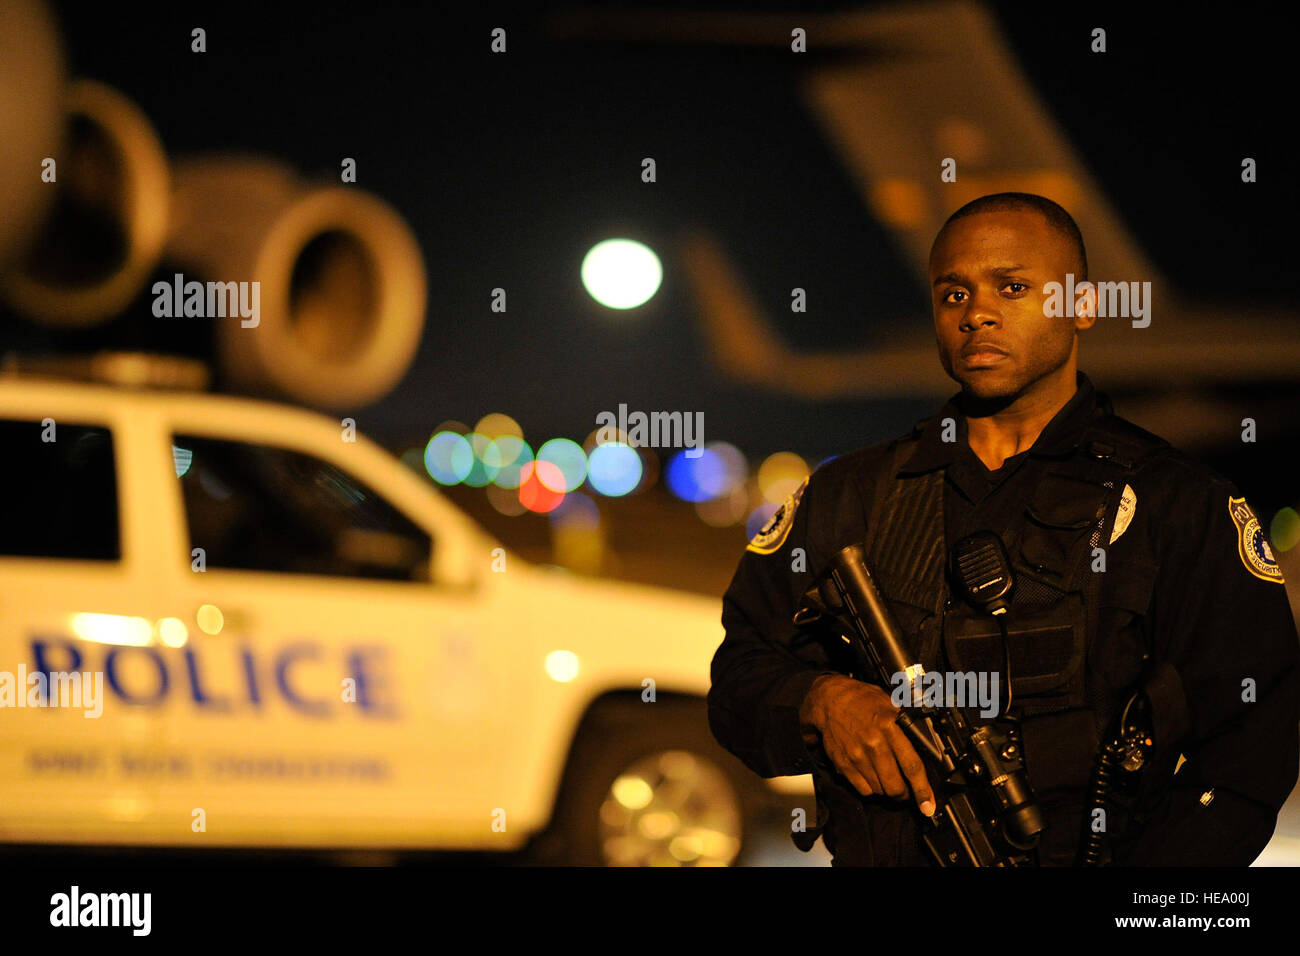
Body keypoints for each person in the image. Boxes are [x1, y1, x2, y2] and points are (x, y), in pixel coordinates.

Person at [708, 193, 1300, 866]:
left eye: (1012, 287)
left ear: (1082, 304)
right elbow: (738, 676)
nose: (977, 313)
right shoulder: (848, 496)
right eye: (953, 294)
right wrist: (820, 699)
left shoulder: (1174, 504)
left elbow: (1251, 745)